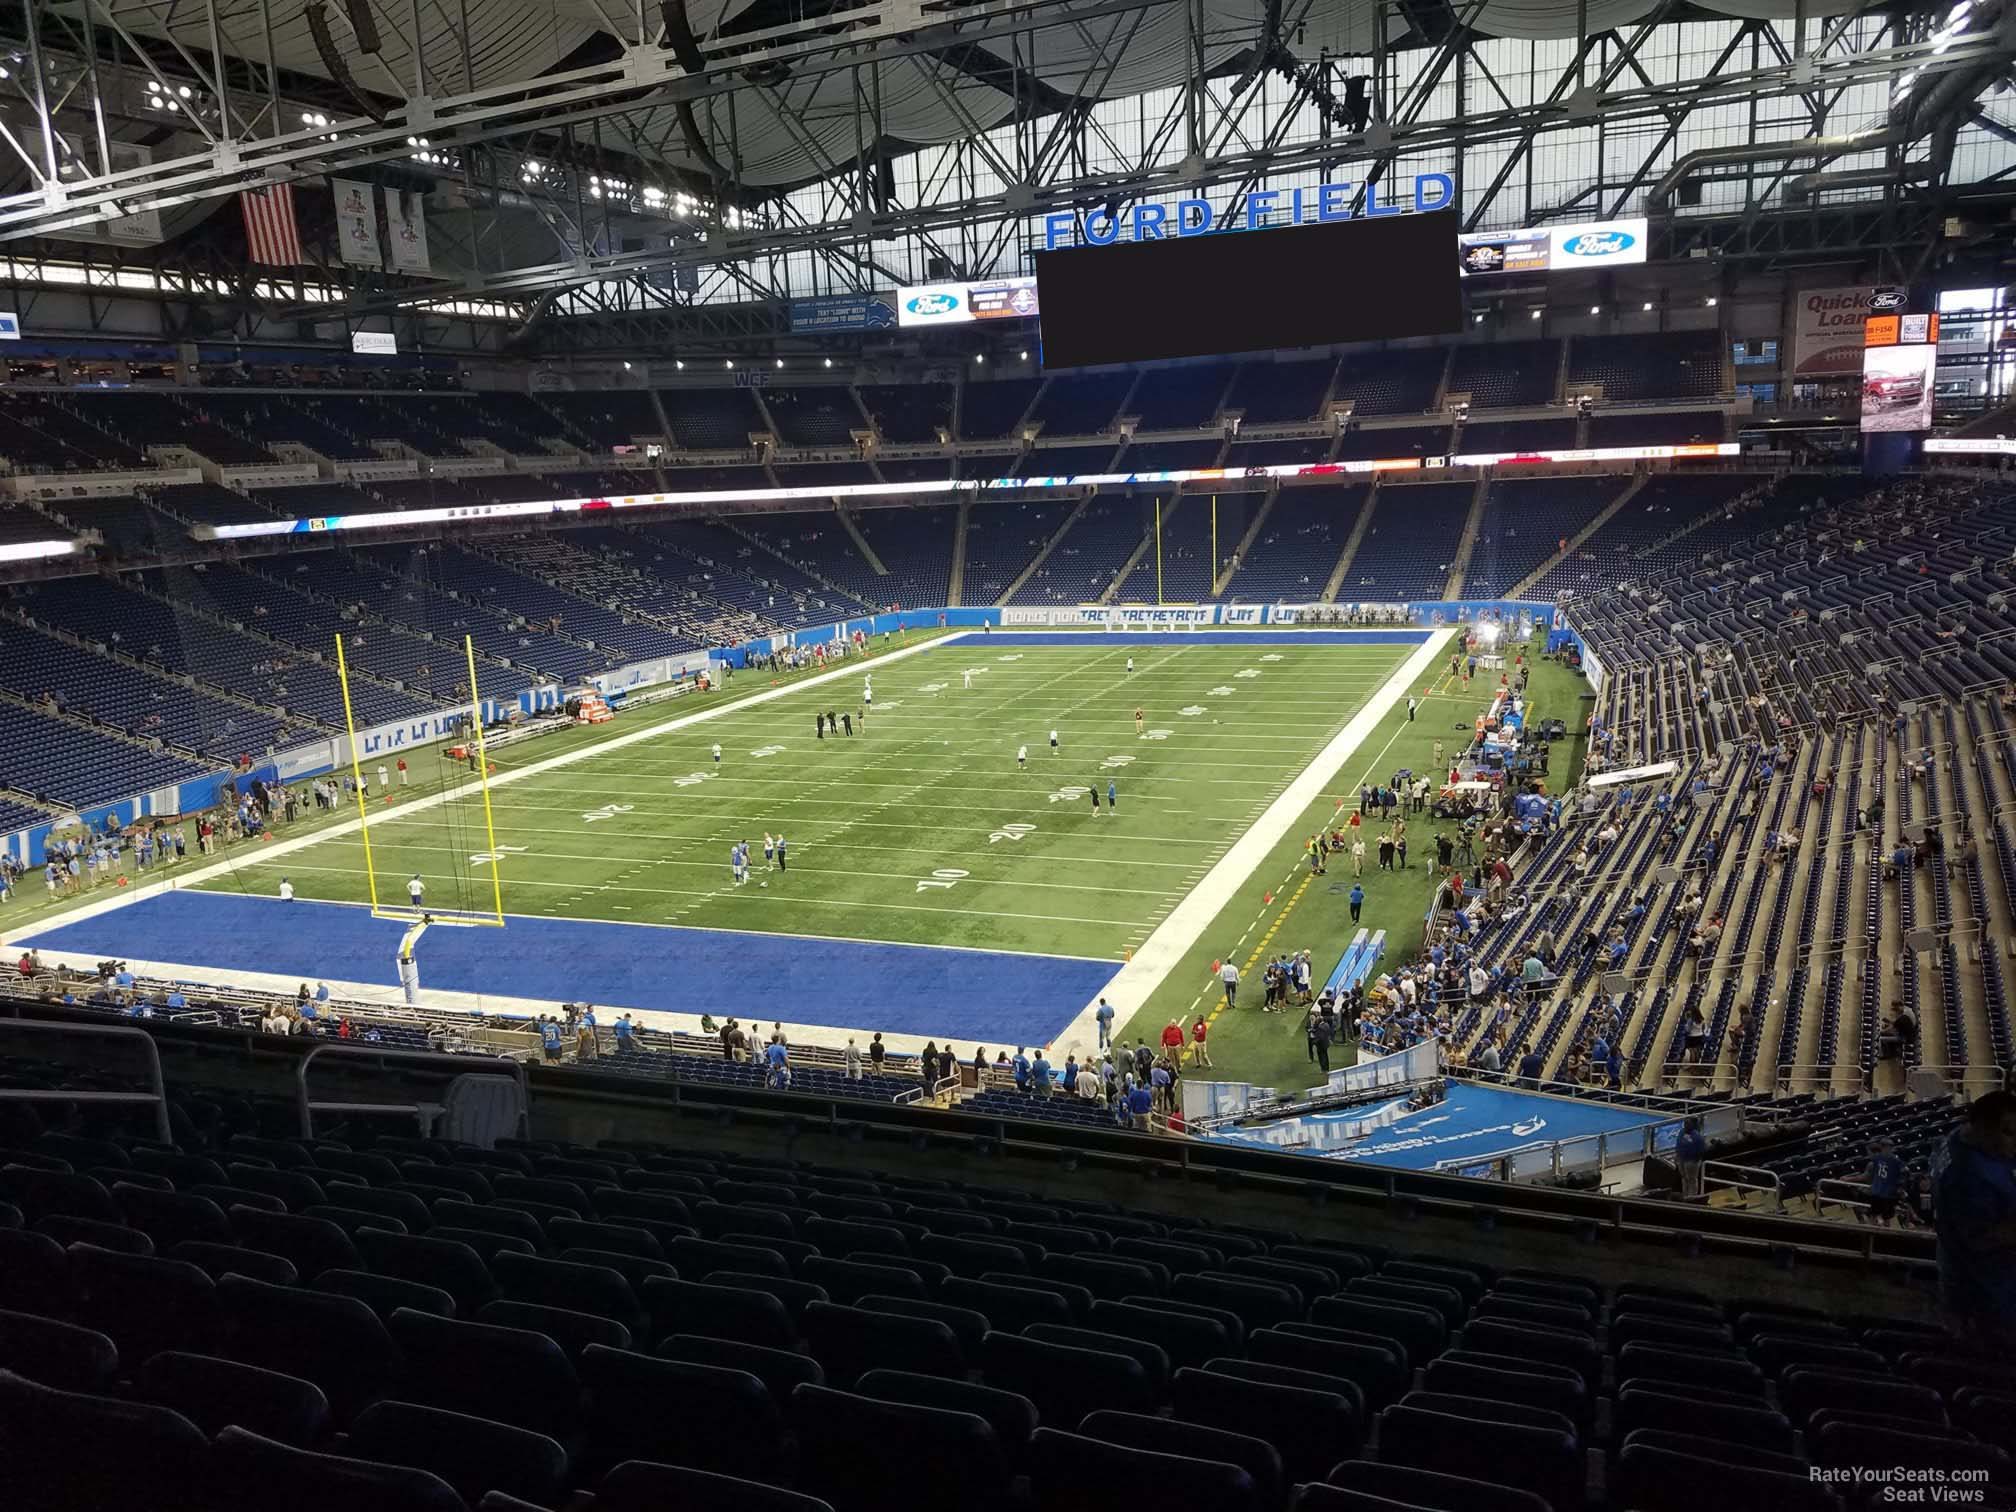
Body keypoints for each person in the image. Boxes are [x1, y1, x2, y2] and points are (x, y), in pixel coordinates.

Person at [1934, 1089, 2016, 1351]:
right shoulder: (1968, 1177)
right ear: (1981, 1126)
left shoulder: (1957, 1139)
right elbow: (1978, 1241)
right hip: (1988, 1296)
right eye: (2008, 1133)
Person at [1865, 1138, 1905, 1226]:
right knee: (1874, 1215)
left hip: (1888, 1193)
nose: (1888, 1149)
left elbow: (1903, 1175)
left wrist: (1899, 1188)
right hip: (1879, 1192)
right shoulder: (1877, 1159)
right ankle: (1872, 1230)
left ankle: (1884, 1231)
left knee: (1886, 1217)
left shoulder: (1895, 1161)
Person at [1675, 1116, 1707, 1198]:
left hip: (1689, 1161)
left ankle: (1690, 1197)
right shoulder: (1682, 1132)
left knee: (1690, 1180)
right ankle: (1686, 1196)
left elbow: (1702, 1150)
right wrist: (1677, 1157)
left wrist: (1696, 1160)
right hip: (1683, 1160)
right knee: (1686, 1179)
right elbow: (1678, 1145)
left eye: (1687, 1123)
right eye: (1685, 1123)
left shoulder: (1696, 1136)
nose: (1686, 1125)